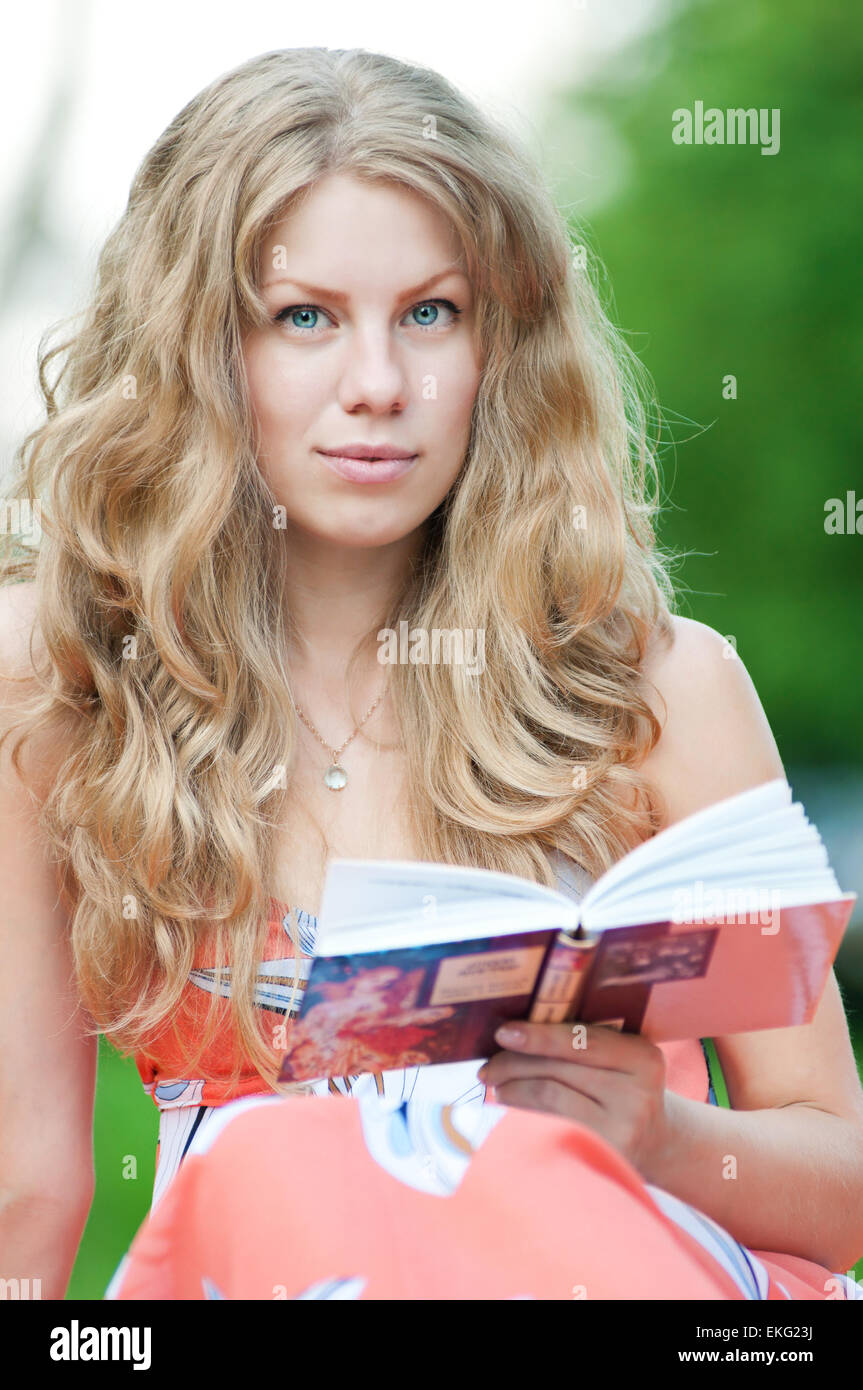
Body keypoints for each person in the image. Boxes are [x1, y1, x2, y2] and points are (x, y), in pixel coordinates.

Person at [1, 46, 861, 1303]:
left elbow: (837, 1187)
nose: (377, 387)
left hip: (626, 1285)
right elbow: (30, 1185)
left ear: (497, 345)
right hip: (251, 1278)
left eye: (430, 313)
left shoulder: (658, 692)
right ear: (197, 346)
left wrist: (665, 1138)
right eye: (304, 317)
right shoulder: (59, 676)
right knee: (273, 1174)